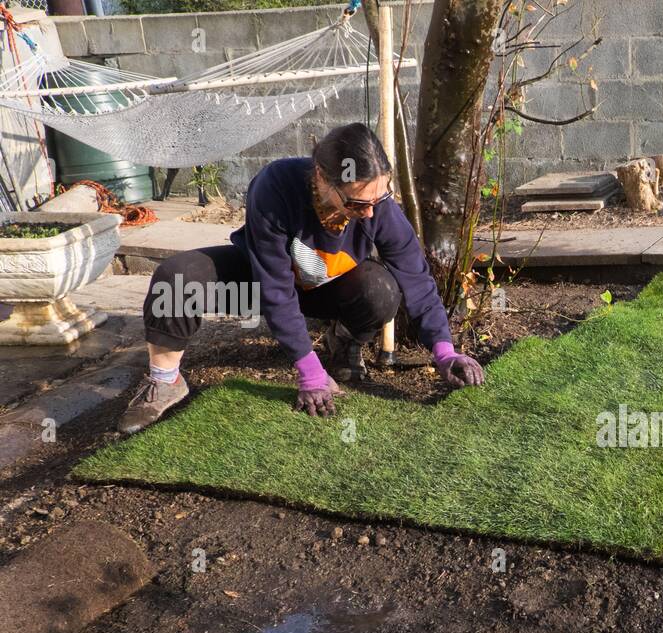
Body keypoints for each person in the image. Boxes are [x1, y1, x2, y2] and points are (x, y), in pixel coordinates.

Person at [117, 122, 484, 434]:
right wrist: (309, 370)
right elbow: (274, 286)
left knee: (380, 289)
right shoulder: (276, 186)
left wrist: (443, 350)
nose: (371, 213)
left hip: (326, 290)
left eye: (379, 198)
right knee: (176, 278)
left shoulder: (378, 209)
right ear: (323, 178)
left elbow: (416, 279)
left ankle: (343, 341)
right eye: (357, 203)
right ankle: (165, 382)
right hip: (260, 283)